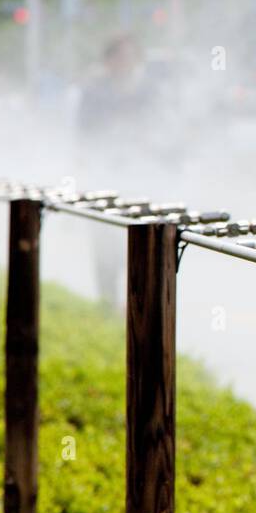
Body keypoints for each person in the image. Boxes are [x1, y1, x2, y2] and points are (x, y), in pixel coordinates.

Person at [77, 32, 155, 309]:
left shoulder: (149, 91)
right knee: (105, 243)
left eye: (131, 57)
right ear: (109, 61)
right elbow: (83, 136)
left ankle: (139, 306)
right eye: (120, 56)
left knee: (141, 244)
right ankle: (108, 305)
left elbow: (161, 131)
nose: (126, 62)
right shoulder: (94, 92)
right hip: (104, 177)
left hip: (141, 177)